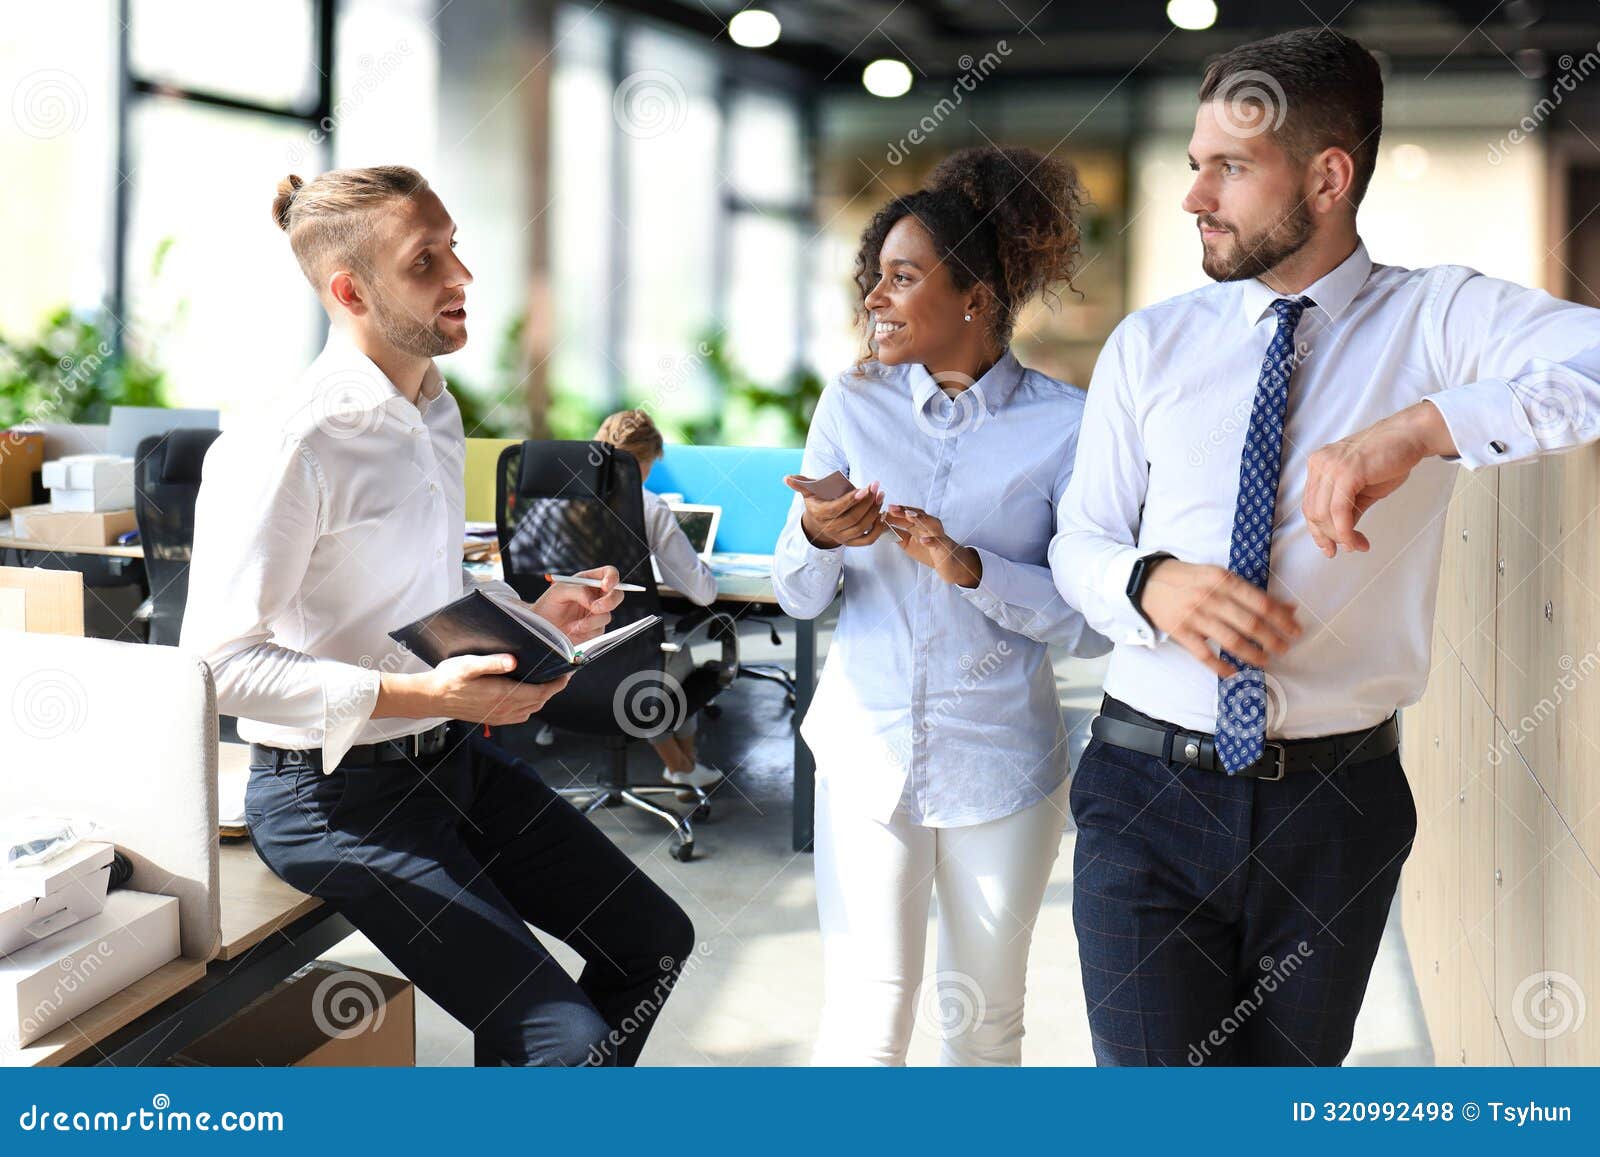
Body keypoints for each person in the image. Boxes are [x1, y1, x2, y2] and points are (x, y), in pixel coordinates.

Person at [1052, 29, 1600, 1066]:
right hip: (1145, 790)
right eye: (1195, 164)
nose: (1193, 196)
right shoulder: (1151, 344)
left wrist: (1424, 426)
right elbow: (1078, 539)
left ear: (1327, 177)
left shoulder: (1435, 318)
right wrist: (1148, 581)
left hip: (1337, 807)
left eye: (1228, 167)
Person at [182, 166, 694, 1066]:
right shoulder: (287, 442)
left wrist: (536, 613)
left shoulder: (434, 413)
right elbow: (219, 666)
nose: (462, 275)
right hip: (330, 798)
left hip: (448, 763)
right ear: (351, 292)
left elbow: (424, 590)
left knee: (653, 940)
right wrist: (431, 696)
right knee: (567, 1047)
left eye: (454, 246)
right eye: (426, 261)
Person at [774, 145, 1111, 1066]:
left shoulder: (1066, 426)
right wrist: (819, 534)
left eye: (902, 276)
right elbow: (797, 594)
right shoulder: (852, 403)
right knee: (867, 1017)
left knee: (983, 1023)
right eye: (874, 277)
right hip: (866, 748)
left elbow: (1090, 623)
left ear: (975, 297)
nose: (874, 299)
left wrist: (971, 569)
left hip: (1001, 762)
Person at [593, 407, 724, 796]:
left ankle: (682, 768)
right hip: (629, 660)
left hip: (572, 652)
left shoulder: (562, 498)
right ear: (644, 461)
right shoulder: (648, 506)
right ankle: (682, 767)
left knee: (651, 667)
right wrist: (699, 566)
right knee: (680, 658)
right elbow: (702, 593)